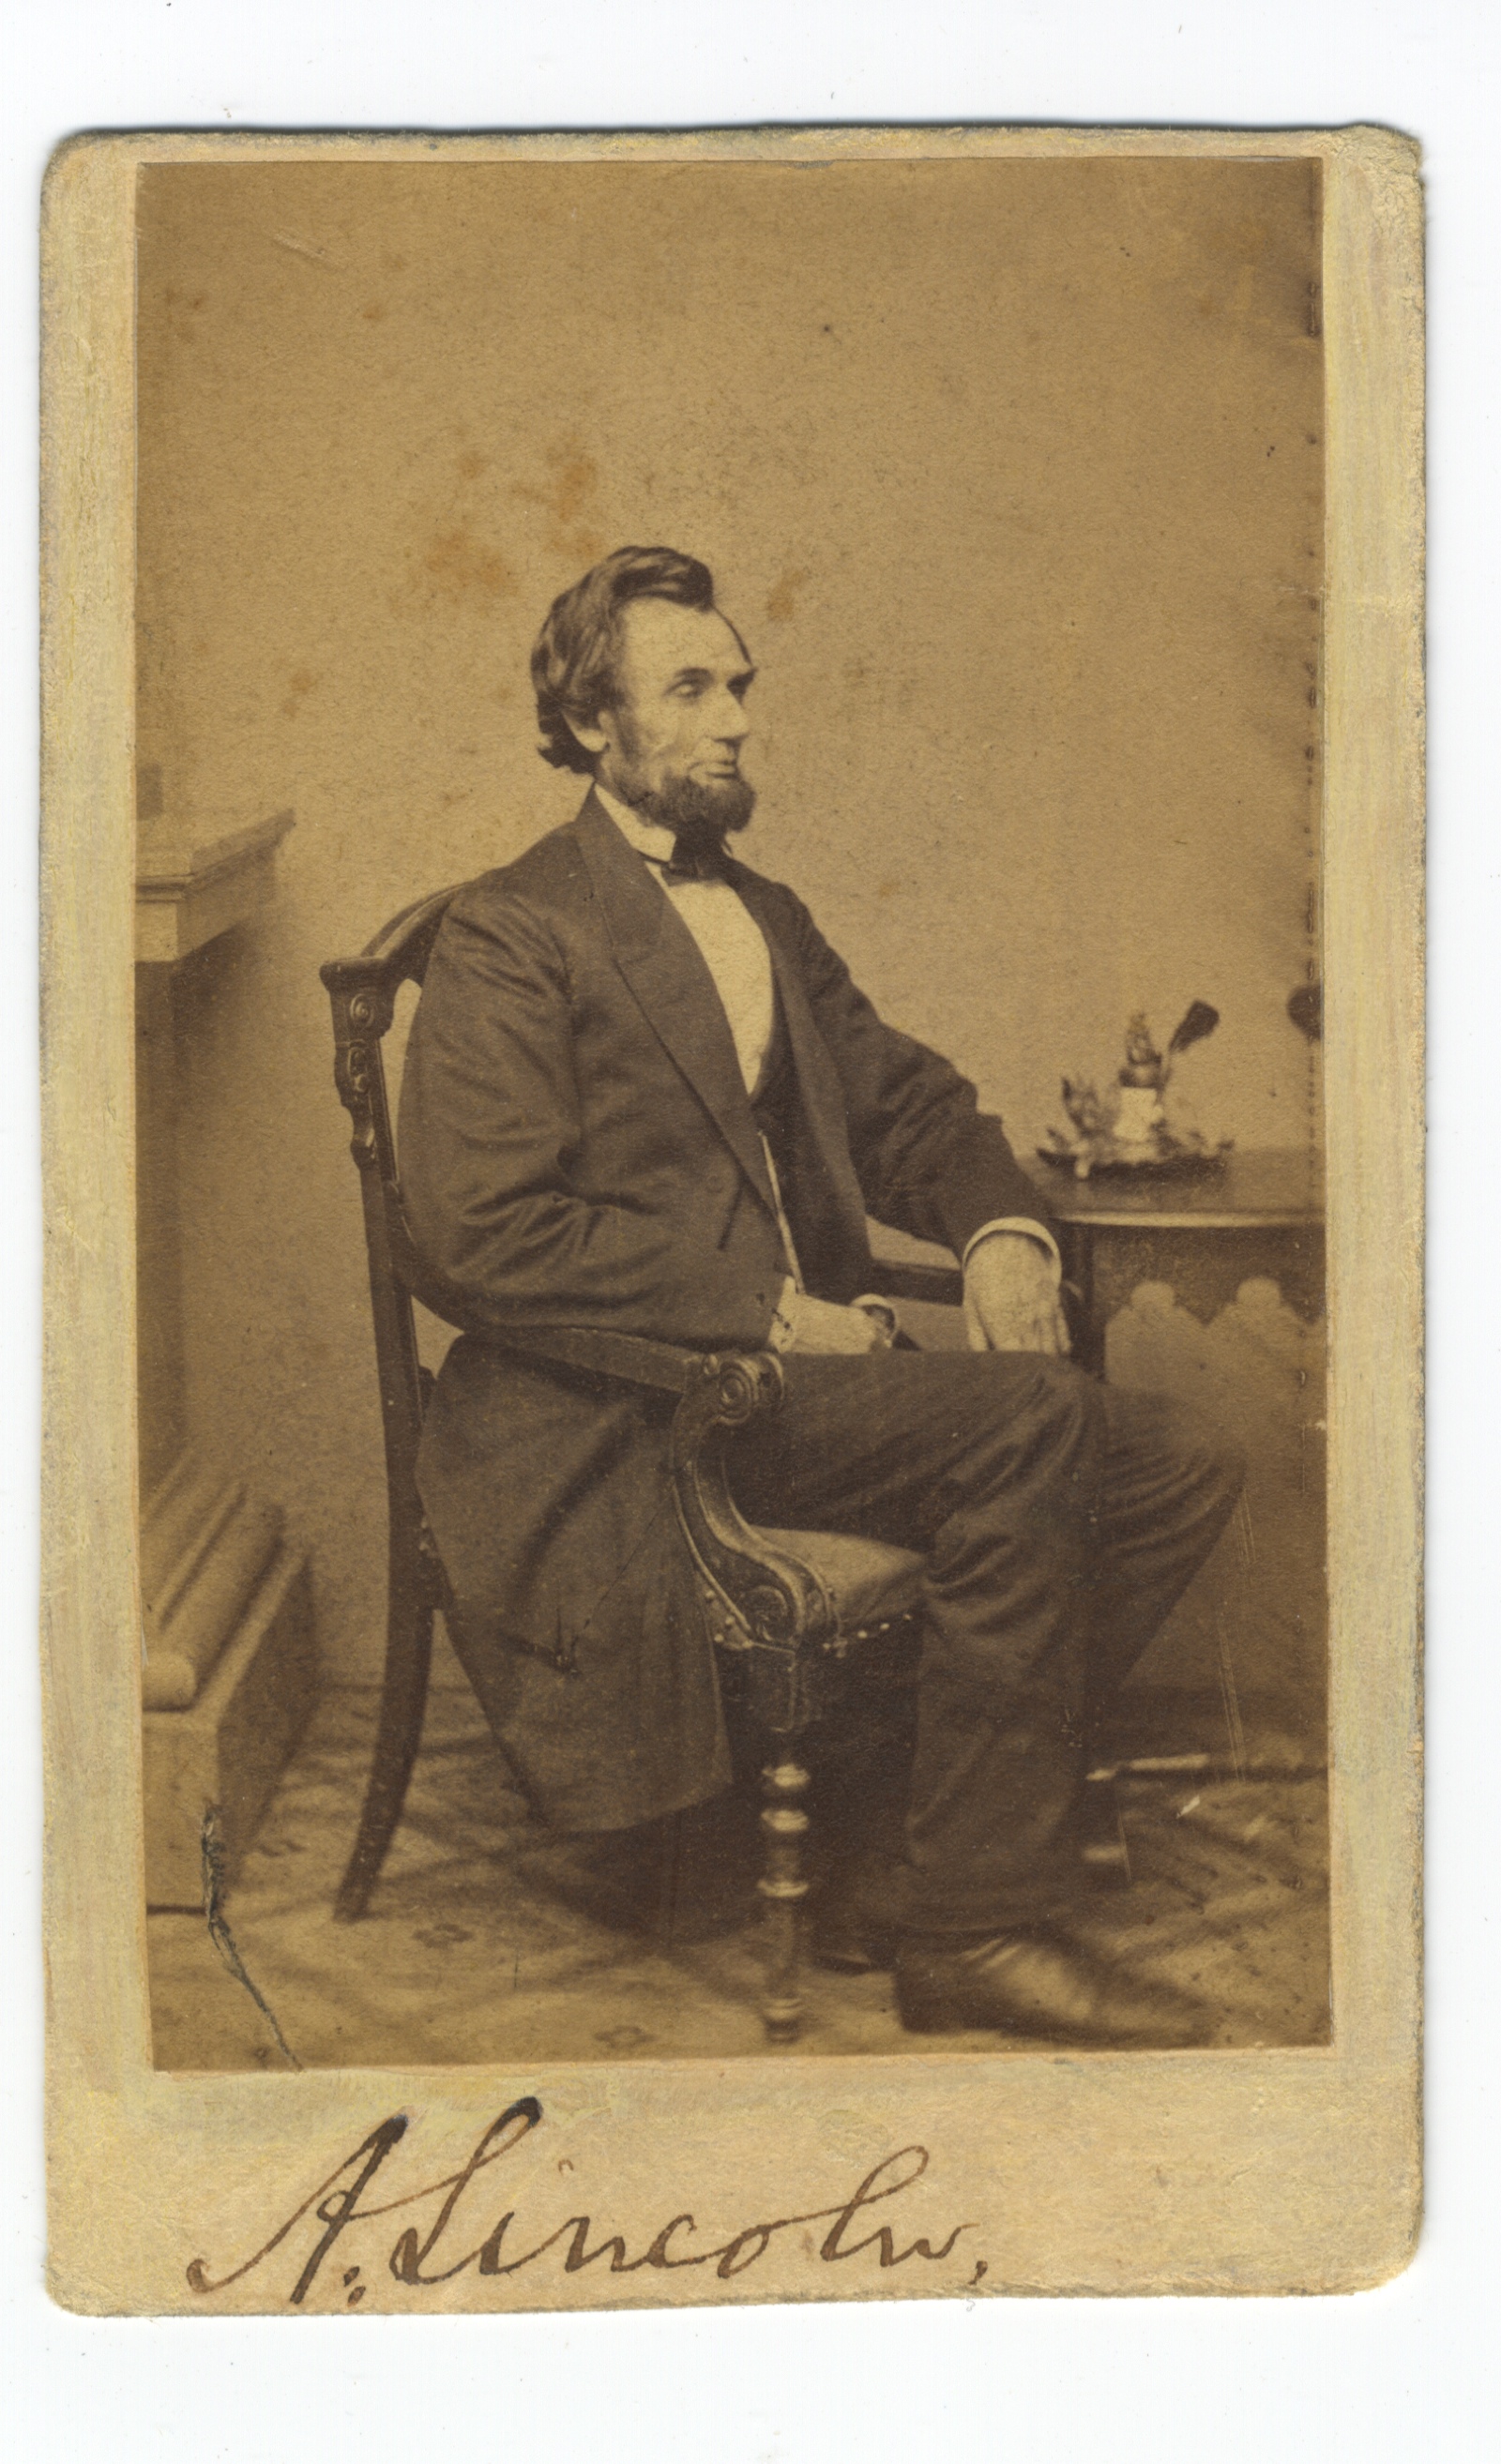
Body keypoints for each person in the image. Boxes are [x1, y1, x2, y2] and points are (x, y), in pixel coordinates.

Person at [398, 546, 1245, 2045]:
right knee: (1038, 1425)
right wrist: (767, 1312)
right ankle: (979, 1932)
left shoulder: (767, 915)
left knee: (1178, 1459)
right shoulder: (515, 931)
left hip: (784, 1390)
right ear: (594, 723)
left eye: (741, 687)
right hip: (631, 1407)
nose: (736, 721)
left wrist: (1002, 1238)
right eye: (692, 689)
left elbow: (916, 1111)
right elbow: (479, 1232)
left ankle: (914, 1864)